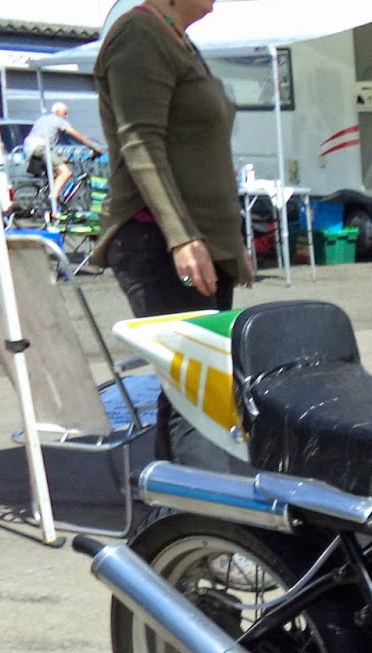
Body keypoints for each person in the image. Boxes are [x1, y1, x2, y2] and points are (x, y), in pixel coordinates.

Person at [95, 0, 252, 469]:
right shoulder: (140, 34)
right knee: (196, 389)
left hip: (200, 244)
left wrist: (230, 241)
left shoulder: (178, 40)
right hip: (158, 243)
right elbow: (140, 141)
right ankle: (208, 522)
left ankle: (174, 521)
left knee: (188, 387)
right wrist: (182, 237)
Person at [22, 102, 103, 211]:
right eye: (64, 113)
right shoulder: (57, 120)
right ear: (57, 112)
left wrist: (63, 158)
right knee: (66, 172)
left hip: (31, 149)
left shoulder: (43, 119)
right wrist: (95, 148)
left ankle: (46, 202)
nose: (66, 116)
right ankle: (53, 199)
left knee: (56, 174)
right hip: (41, 148)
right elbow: (78, 136)